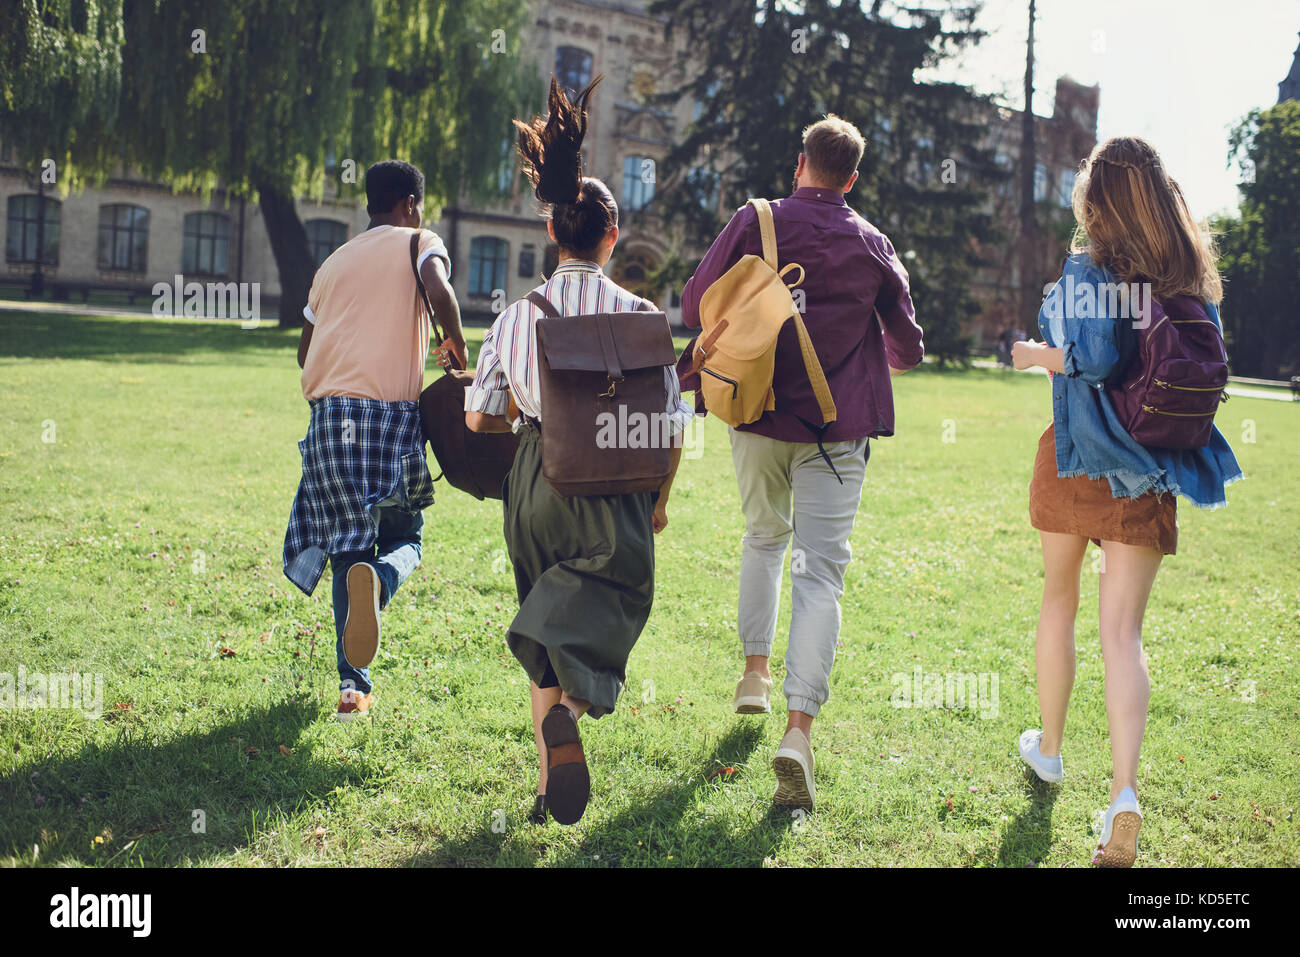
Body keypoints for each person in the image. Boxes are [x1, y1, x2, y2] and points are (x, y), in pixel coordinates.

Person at [464, 77, 693, 827]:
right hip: (617, 481)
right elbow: (670, 424)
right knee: (618, 600)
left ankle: (544, 782)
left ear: (553, 234)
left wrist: (523, 424)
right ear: (612, 236)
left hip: (536, 481)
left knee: (547, 628)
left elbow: (477, 419)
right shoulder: (643, 317)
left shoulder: (514, 318)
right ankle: (570, 708)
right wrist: (658, 502)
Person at [679, 115, 923, 809]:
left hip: (753, 414)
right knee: (822, 574)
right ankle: (798, 732)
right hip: (836, 430)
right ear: (850, 179)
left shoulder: (753, 220)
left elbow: (698, 303)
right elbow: (907, 347)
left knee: (763, 538)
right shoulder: (872, 243)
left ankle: (753, 672)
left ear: (800, 164)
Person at [1011, 136, 1242, 866]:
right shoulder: (1187, 279)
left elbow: (1097, 359)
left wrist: (1034, 354)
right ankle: (1123, 793)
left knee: (1059, 600)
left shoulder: (1089, 268)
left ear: (1097, 201)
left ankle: (1049, 749)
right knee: (1124, 634)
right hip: (1149, 472)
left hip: (1079, 459)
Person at [284, 160, 467, 721]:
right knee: (406, 533)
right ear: (410, 204)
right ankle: (383, 583)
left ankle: (351, 690)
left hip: (326, 423)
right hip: (386, 420)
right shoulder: (419, 241)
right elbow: (439, 290)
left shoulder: (333, 261)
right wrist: (456, 346)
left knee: (347, 549)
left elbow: (303, 352)